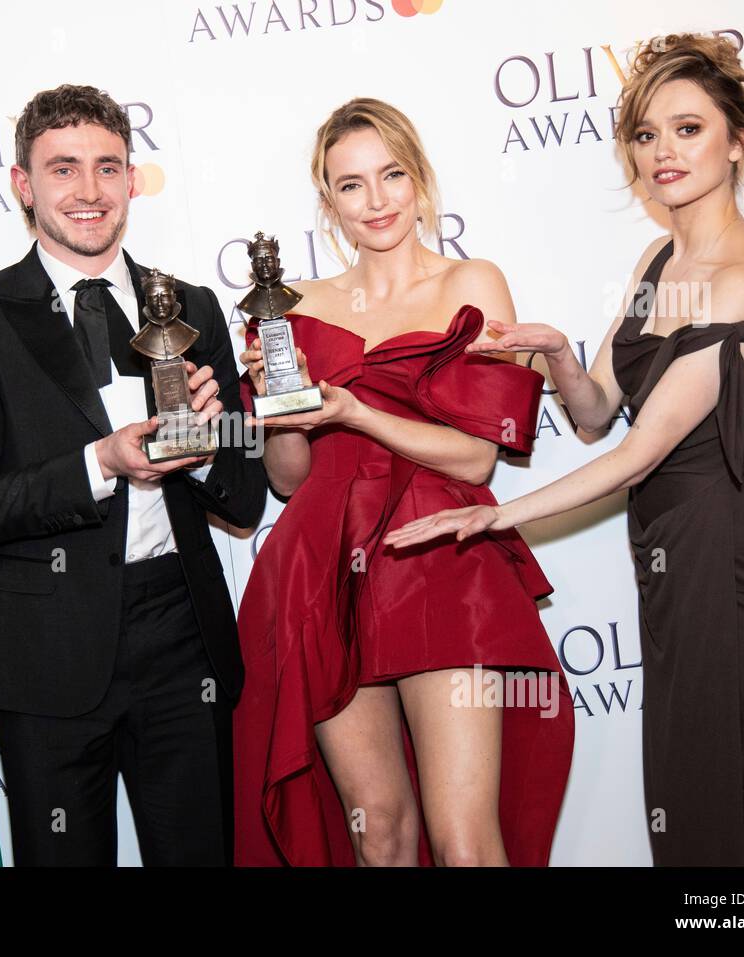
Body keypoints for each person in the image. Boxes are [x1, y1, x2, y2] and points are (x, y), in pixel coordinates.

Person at [385, 34, 744, 866]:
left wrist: (490, 518)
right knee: (690, 772)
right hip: (668, 539)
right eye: (646, 133)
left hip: (727, 536)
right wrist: (558, 353)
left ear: (737, 139)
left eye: (689, 129)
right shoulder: (658, 256)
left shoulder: (741, 274)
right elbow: (596, 414)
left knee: (731, 776)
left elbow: (638, 452)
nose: (664, 152)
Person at [0, 84, 267, 866]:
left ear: (132, 180)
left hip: (184, 639)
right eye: (64, 169)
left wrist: (209, 447)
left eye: (108, 168)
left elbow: (245, 502)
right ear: (24, 186)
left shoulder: (194, 308)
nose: (89, 192)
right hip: (46, 651)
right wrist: (99, 464)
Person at [234, 98, 573, 867]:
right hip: (324, 567)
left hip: (438, 560)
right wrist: (282, 410)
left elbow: (479, 458)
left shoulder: (473, 279)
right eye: (351, 185)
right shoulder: (297, 307)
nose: (377, 200)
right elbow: (290, 482)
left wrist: (354, 409)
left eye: (391, 175)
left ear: (419, 180)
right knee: (377, 829)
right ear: (328, 202)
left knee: (463, 839)